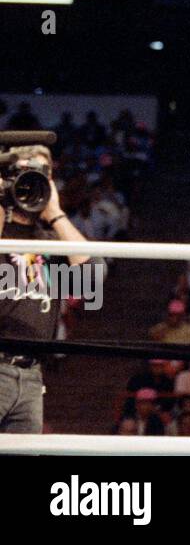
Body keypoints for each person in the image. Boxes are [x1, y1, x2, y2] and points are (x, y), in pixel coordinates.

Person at [0, 145, 94, 433]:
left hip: (31, 375)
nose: (31, 180)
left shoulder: (53, 242)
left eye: (41, 172)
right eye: (24, 172)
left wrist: (55, 213)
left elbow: (90, 281)